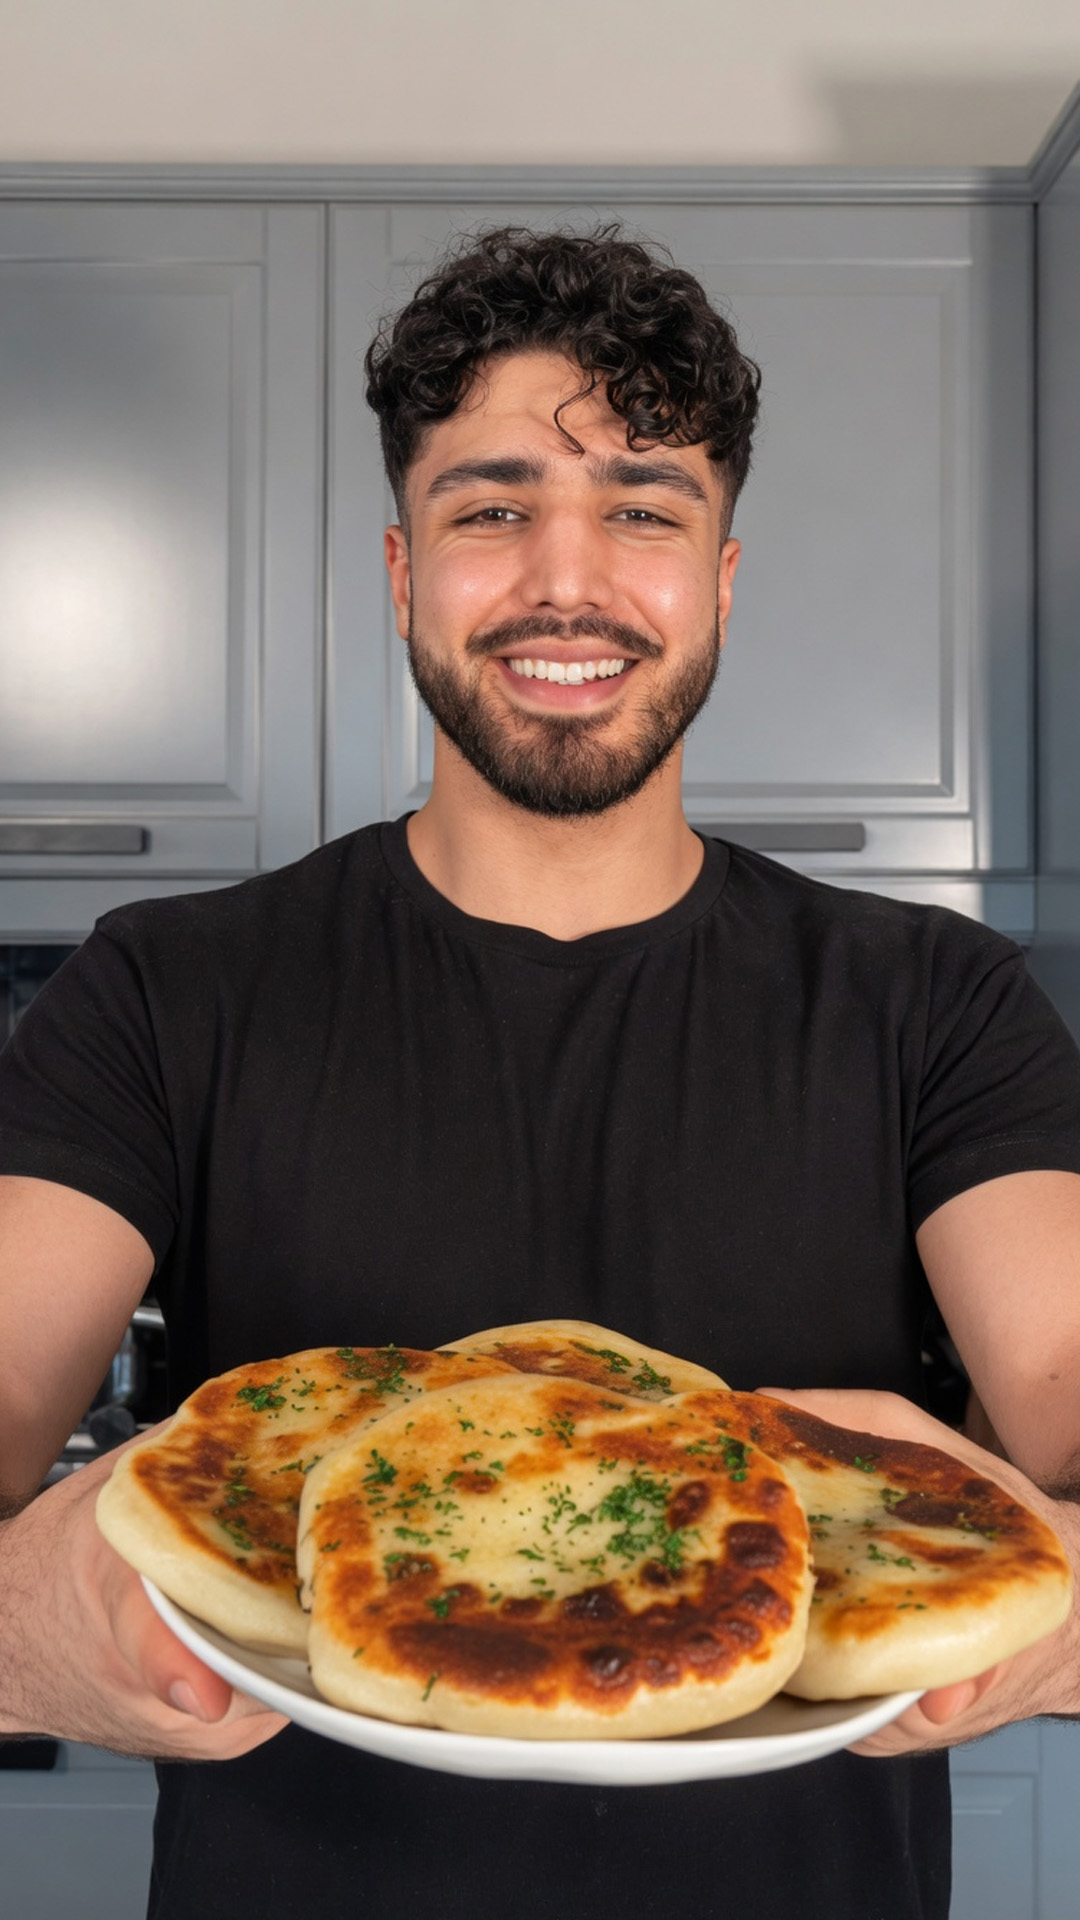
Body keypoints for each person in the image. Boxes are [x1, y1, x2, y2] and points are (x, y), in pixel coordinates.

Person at [1, 224, 1078, 1920]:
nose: (564, 582)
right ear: (400, 567)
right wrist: (17, 1635)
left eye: (644, 509)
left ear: (723, 577)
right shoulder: (167, 989)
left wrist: (1044, 1600)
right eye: (489, 507)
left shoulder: (929, 999)